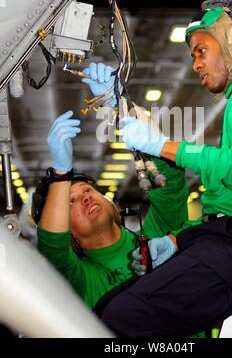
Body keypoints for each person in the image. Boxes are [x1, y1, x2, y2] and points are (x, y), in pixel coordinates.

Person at [98, 0, 232, 337]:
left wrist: (162, 146)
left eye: (200, 51)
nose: (195, 65)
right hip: (231, 236)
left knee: (123, 317)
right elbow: (230, 199)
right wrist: (179, 240)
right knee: (106, 311)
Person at [34, 65, 190, 311]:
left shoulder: (158, 239)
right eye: (70, 202)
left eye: (87, 190)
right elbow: (52, 246)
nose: (85, 197)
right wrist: (60, 174)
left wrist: (119, 105)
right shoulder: (79, 279)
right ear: (68, 233)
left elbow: (170, 184)